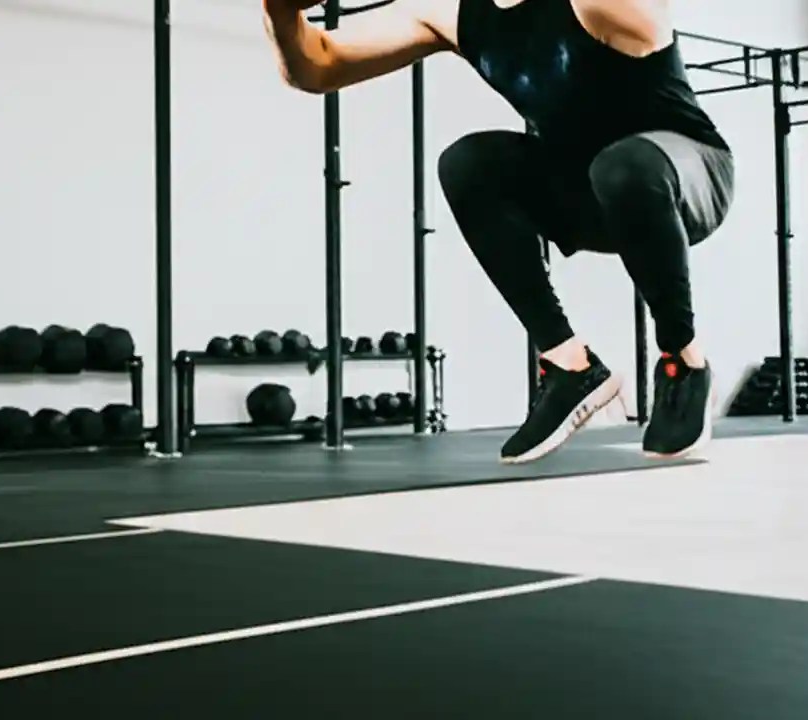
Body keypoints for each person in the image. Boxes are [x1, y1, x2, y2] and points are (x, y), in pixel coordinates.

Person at [262, 0, 734, 462]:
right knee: (470, 164)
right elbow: (318, 65)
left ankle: (683, 360)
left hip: (684, 175)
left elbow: (650, 21)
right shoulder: (447, 11)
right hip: (584, 191)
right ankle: (570, 364)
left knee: (623, 166)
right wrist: (281, 13)